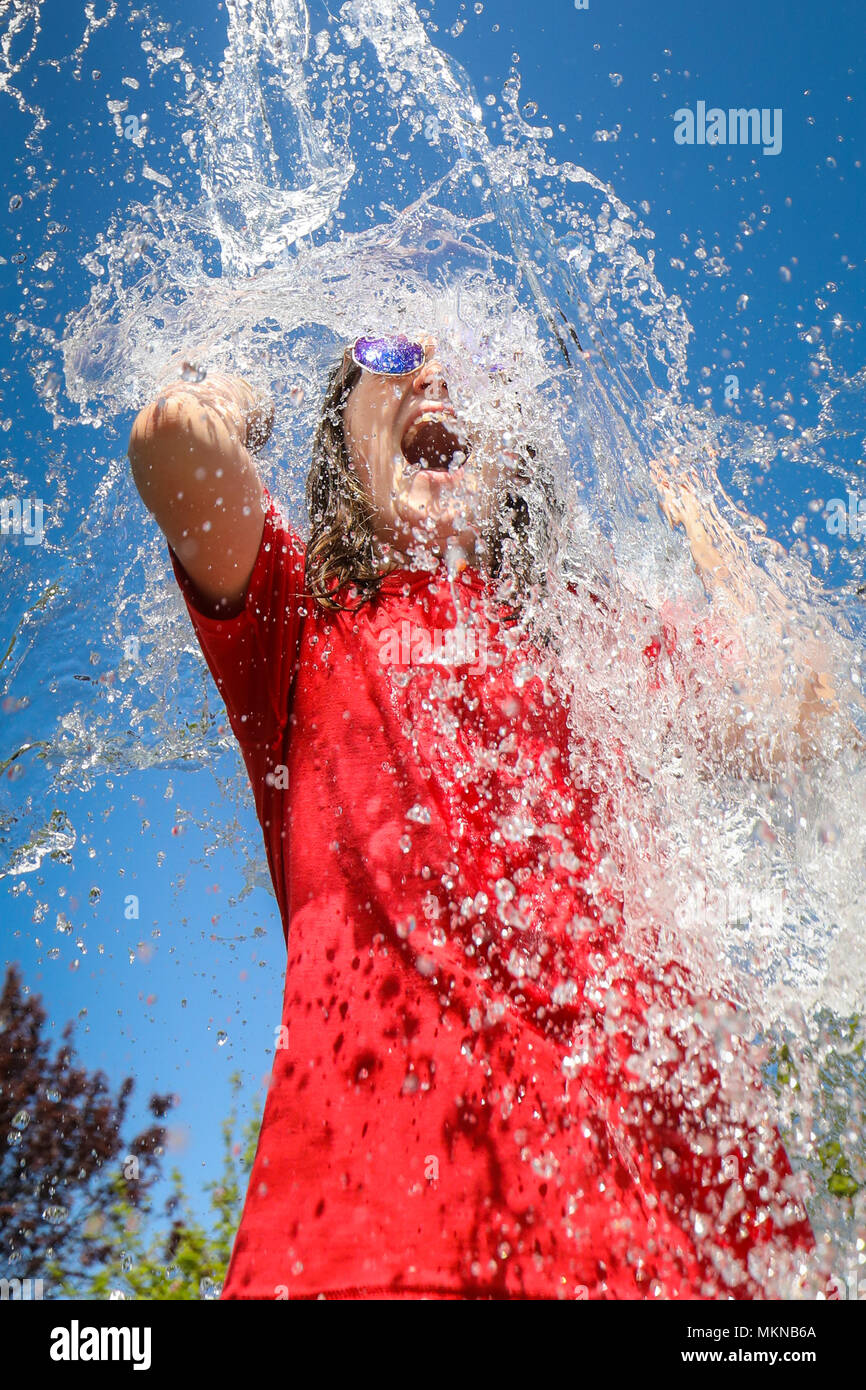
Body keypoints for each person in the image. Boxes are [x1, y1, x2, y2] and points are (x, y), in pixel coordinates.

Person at [127, 331, 833, 1300]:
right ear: (343, 440)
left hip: (662, 1250)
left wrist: (706, 524)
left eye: (476, 356)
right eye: (389, 350)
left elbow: (798, 710)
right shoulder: (302, 619)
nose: (436, 370)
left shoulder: (590, 641)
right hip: (378, 1252)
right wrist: (243, 398)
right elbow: (172, 443)